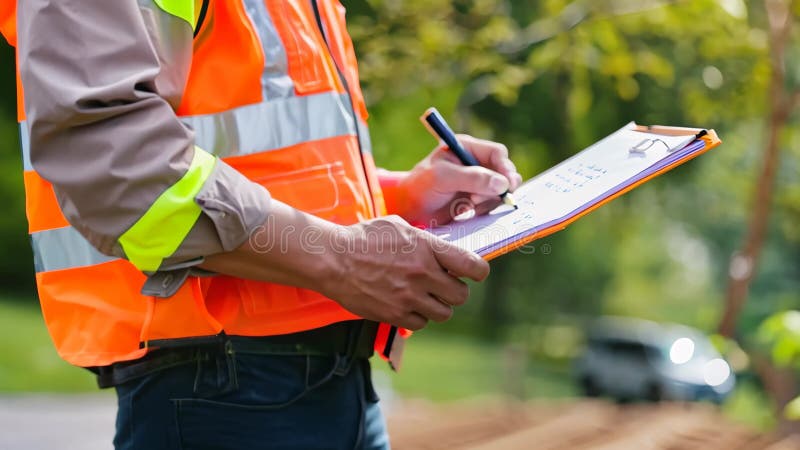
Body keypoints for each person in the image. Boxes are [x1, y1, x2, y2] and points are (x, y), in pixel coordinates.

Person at [2, 1, 522, 448]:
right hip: (220, 382)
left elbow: (266, 163)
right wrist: (339, 256)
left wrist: (399, 197)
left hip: (334, 383)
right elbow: (113, 160)